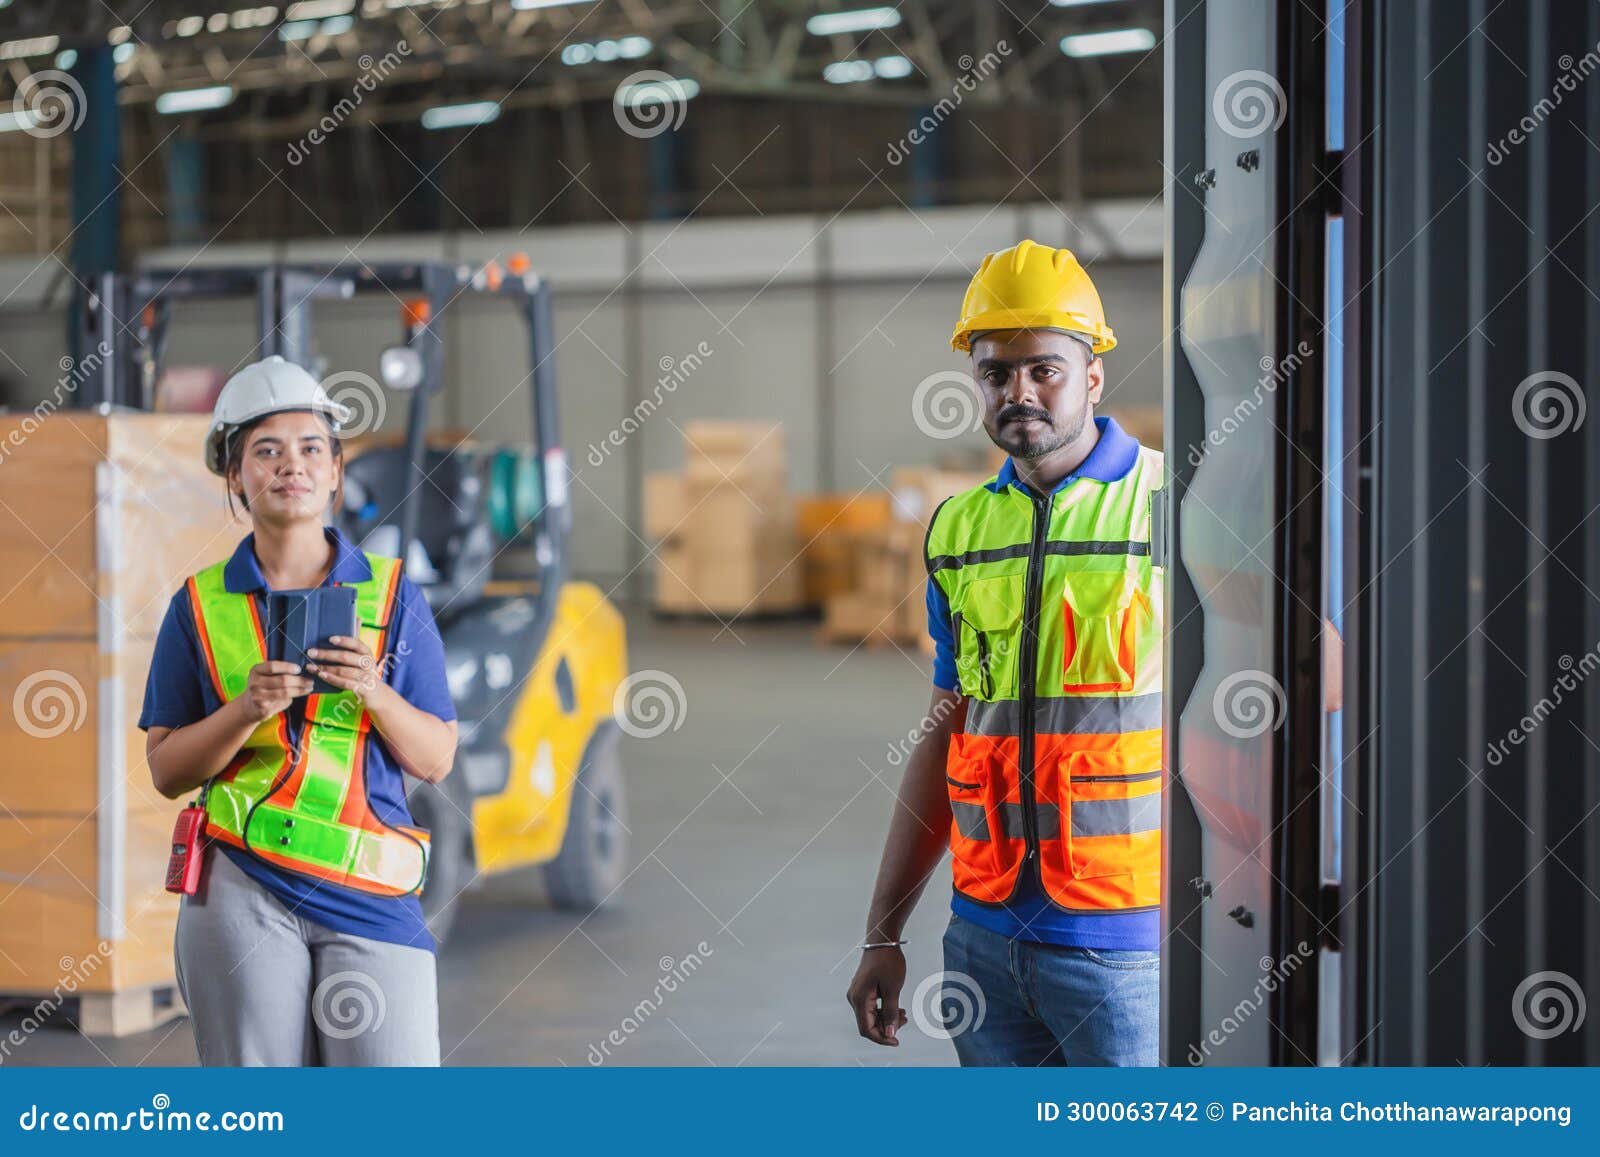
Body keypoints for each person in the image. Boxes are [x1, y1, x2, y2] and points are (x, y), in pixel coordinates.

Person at [847, 241, 1163, 1066]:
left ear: (1092, 375)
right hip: (982, 941)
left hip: (1125, 947)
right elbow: (947, 732)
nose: (1018, 391)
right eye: (995, 373)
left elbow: (1310, 684)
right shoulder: (957, 532)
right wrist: (884, 930)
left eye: (1044, 369)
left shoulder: (1172, 507)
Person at [141, 355, 458, 1066]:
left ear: (338, 470)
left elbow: (436, 757)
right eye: (267, 450)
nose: (293, 465)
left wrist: (373, 690)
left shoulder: (394, 595)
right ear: (234, 475)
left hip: (369, 888)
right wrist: (244, 711)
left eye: (313, 447)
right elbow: (165, 769)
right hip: (241, 884)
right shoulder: (197, 605)